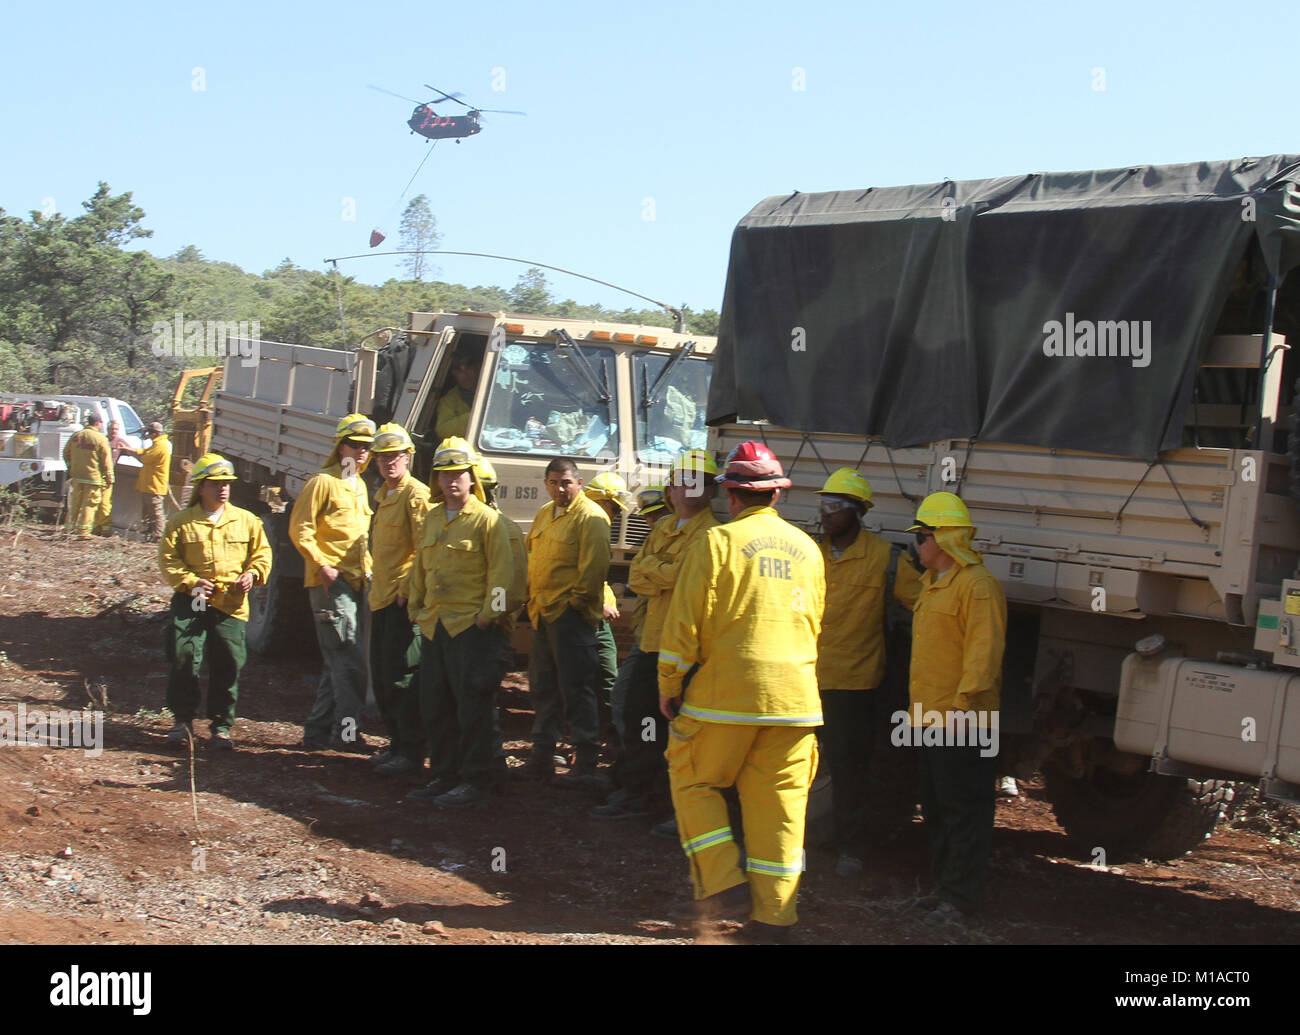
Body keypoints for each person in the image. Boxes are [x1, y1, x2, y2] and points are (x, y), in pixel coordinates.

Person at [657, 441, 825, 940]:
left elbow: (684, 625)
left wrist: (669, 683)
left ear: (731, 495)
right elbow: (814, 622)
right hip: (795, 704)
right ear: (777, 496)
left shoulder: (717, 543)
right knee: (780, 811)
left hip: (725, 699)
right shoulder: (810, 550)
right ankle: (775, 920)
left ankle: (721, 878)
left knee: (692, 778)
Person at [594, 454, 718, 823]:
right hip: (652, 643)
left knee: (678, 730)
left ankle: (668, 803)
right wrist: (663, 573)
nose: (690, 487)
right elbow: (637, 577)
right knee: (639, 718)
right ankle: (636, 792)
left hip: (685, 650)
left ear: (711, 489)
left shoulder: (712, 535)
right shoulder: (662, 528)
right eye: (685, 479)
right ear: (673, 486)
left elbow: (682, 579)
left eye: (700, 480)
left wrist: (656, 572)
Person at [814, 468, 922, 877]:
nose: (826, 514)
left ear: (858, 512)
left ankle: (851, 847)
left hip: (853, 684)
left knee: (848, 768)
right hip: (800, 676)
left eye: (836, 507)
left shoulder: (884, 557)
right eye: (823, 505)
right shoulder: (808, 551)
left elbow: (925, 606)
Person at [907, 491, 1007, 926]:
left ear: (945, 539)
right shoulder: (933, 584)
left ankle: (960, 900)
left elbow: (983, 657)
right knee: (936, 805)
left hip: (962, 721)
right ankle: (945, 887)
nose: (918, 545)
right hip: (930, 718)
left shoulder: (977, 586)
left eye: (924, 536)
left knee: (964, 809)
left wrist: (963, 711)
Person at [405, 437, 514, 807]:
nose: (452, 481)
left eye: (459, 474)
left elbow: (503, 575)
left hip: (470, 629)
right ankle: (444, 774)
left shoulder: (488, 521)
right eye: (445, 475)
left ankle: (477, 781)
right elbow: (421, 566)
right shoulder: (433, 517)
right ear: (436, 480)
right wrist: (417, 610)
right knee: (436, 705)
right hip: (435, 626)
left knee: (473, 708)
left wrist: (487, 617)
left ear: (472, 478)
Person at [157, 453, 272, 750]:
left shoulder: (246, 521)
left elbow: (262, 555)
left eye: (227, 484)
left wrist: (252, 574)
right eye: (215, 483)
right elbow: (169, 562)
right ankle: (182, 721)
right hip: (192, 600)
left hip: (230, 604)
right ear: (200, 487)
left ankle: (221, 726)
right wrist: (192, 582)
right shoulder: (181, 523)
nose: (223, 489)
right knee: (184, 656)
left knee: (229, 662)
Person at [289, 413, 376, 753]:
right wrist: (322, 565)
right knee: (349, 660)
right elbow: (300, 529)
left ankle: (316, 732)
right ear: (341, 446)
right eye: (356, 445)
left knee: (338, 661)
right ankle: (348, 734)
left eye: (368, 446)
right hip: (330, 584)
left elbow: (361, 537)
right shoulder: (322, 482)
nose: (363, 452)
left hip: (355, 582)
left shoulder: (360, 485)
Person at [525, 458, 612, 787]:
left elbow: (594, 571)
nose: (560, 489)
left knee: (577, 690)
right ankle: (542, 757)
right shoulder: (545, 514)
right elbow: (533, 555)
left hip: (569, 617)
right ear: (546, 484)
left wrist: (573, 606)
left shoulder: (591, 518)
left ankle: (585, 763)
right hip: (542, 613)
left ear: (579, 482)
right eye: (553, 483)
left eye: (566, 483)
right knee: (543, 688)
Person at [366, 423, 431, 777]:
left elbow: (424, 549)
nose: (389, 462)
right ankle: (395, 745)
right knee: (384, 675)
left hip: (400, 602)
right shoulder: (384, 495)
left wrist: (408, 590)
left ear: (408, 458)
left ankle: (410, 752)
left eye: (396, 456)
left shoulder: (415, 495)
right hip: (381, 597)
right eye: (383, 457)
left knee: (404, 677)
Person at [581, 470, 632, 775]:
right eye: (613, 507)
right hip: (582, 615)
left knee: (605, 678)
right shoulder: (587, 524)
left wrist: (607, 601)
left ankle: (609, 739)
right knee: (597, 679)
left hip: (593, 612)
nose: (615, 514)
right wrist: (600, 603)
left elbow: (598, 576)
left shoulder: (596, 524)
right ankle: (595, 745)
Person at [62, 411, 113, 539]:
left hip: (77, 476)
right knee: (89, 505)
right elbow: (106, 461)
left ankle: (69, 529)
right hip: (93, 478)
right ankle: (83, 532)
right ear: (97, 423)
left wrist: (71, 466)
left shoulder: (76, 436)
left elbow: (65, 453)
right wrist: (109, 477)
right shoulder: (101, 439)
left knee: (75, 503)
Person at [120, 421, 172, 541]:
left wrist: (132, 454)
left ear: (155, 433)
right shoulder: (156, 444)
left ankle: (158, 536)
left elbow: (145, 458)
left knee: (156, 511)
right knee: (148, 512)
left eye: (150, 432)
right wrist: (129, 448)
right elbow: (145, 452)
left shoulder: (161, 445)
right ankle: (149, 533)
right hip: (149, 484)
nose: (148, 435)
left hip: (155, 484)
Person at [433, 348, 481, 442]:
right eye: (459, 370)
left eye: (469, 368)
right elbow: (442, 430)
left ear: (478, 367)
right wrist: (476, 416)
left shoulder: (496, 392)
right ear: (453, 374)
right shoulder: (449, 399)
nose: (465, 374)